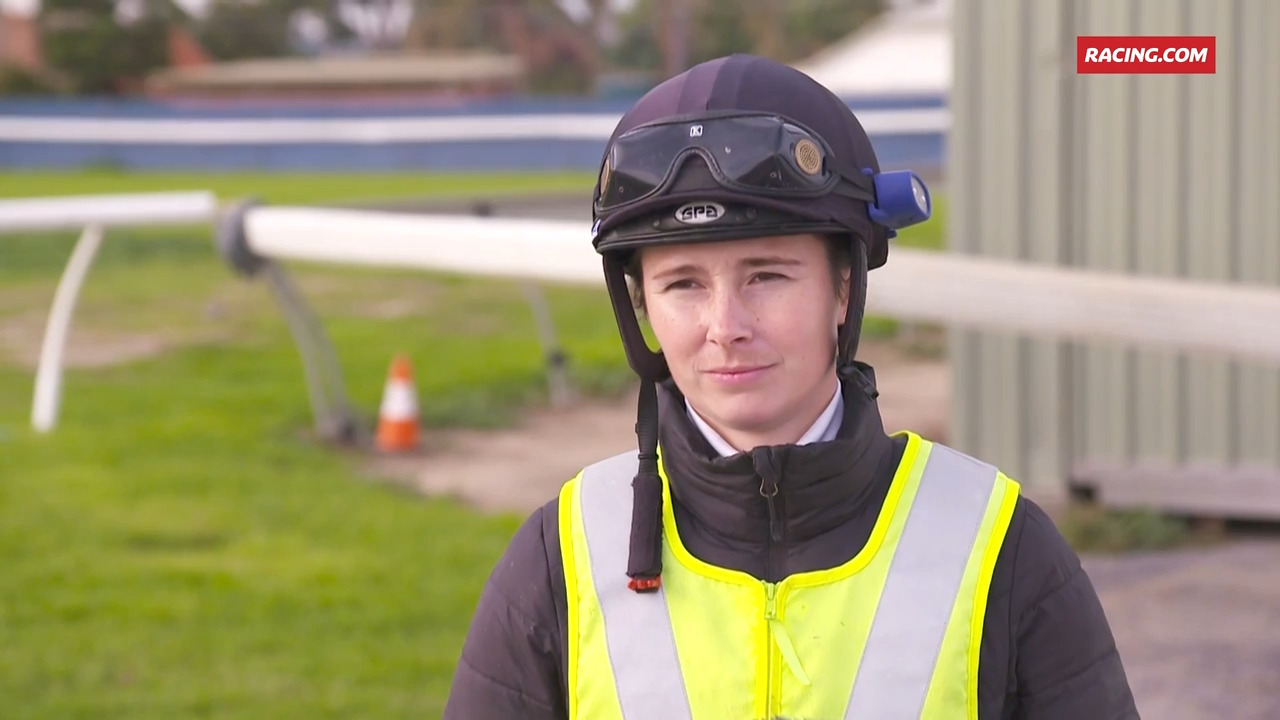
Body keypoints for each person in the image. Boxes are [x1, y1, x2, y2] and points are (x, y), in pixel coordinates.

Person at [443, 53, 1139, 720]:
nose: (726, 326)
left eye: (767, 276)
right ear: (642, 307)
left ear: (843, 288)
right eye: (683, 284)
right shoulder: (558, 559)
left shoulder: (1001, 546)